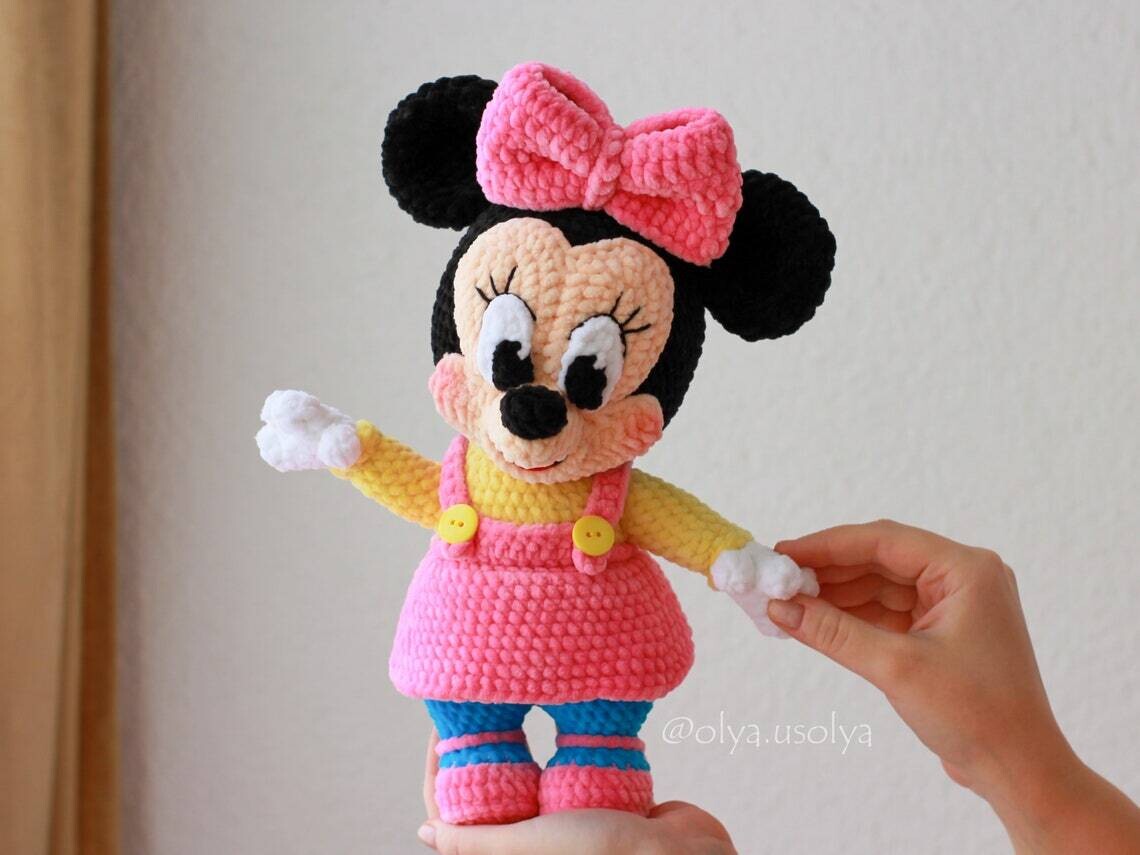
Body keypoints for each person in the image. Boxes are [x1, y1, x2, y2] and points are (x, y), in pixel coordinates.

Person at [414, 520, 1140, 854]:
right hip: (470, 654)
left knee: (596, 751)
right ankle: (489, 749)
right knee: (483, 749)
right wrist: (1021, 761)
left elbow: (684, 526)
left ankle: (579, 757)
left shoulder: (619, 492)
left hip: (606, 679)